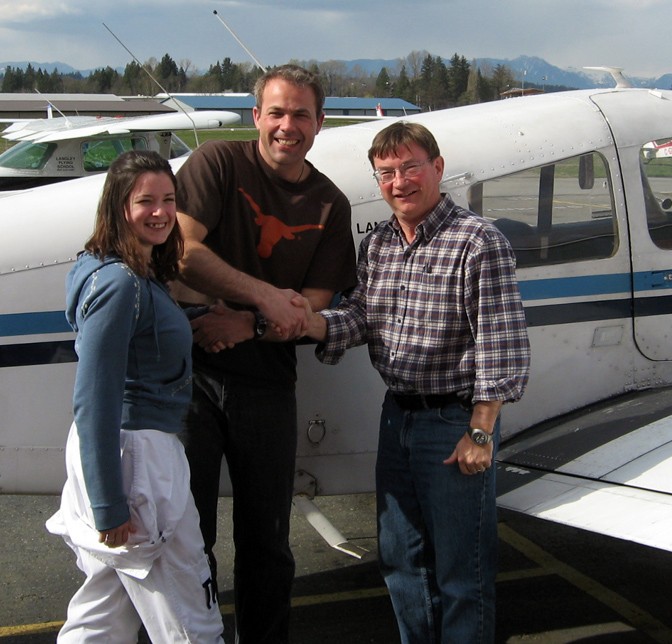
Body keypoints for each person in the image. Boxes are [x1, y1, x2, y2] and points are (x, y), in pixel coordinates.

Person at [296, 121, 531, 643]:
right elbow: (361, 316)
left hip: (452, 421)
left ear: (438, 169)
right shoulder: (378, 243)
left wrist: (481, 430)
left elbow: (501, 343)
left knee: (460, 571)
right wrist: (309, 322)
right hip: (398, 415)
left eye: (410, 167)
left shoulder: (478, 241)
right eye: (386, 173)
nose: (399, 181)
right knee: (401, 560)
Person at [172, 64, 356, 642]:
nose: (287, 125)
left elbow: (315, 309)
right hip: (190, 378)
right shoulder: (217, 163)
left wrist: (246, 322)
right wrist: (263, 297)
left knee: (268, 542)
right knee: (186, 536)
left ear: (319, 123)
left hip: (267, 385)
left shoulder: (331, 204)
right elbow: (182, 253)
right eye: (276, 112)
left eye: (301, 114)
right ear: (257, 116)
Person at [45, 150, 224, 642]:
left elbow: (138, 341)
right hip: (138, 458)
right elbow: (94, 396)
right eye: (146, 201)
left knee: (103, 617)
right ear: (119, 206)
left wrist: (196, 321)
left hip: (131, 451)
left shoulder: (109, 268)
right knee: (190, 613)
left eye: (169, 200)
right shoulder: (122, 283)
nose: (161, 212)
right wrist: (108, 504)